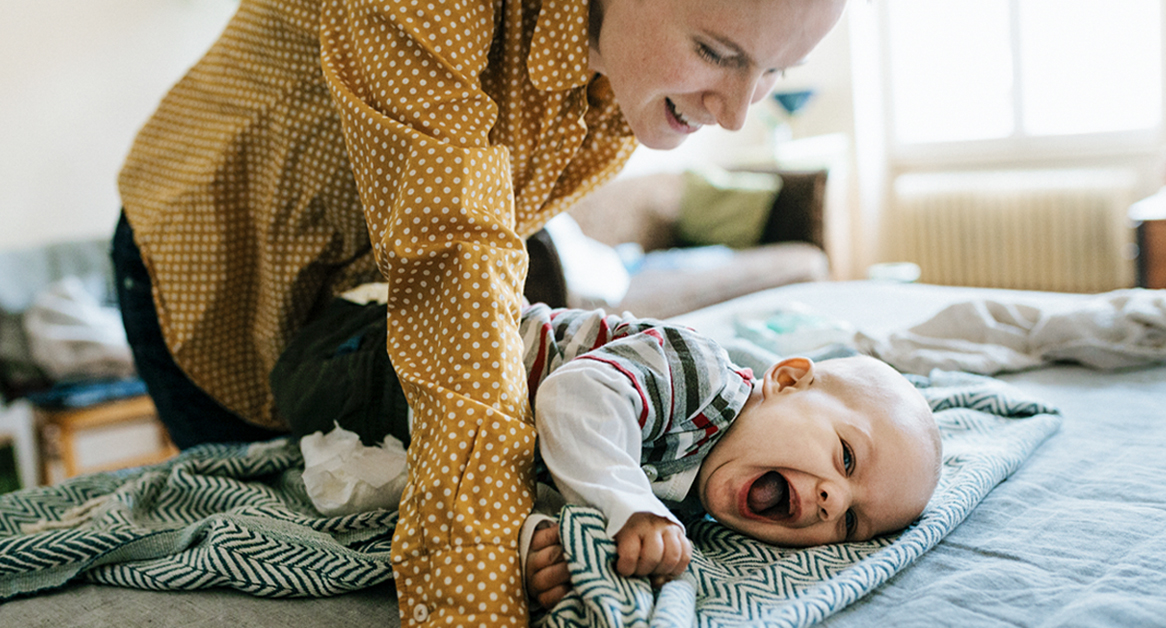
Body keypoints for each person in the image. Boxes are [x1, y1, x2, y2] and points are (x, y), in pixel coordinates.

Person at [112, 0, 848, 623]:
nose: (737, 115)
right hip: (219, 277)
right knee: (248, 559)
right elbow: (455, 272)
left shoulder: (621, 79)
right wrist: (474, 596)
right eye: (716, 52)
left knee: (339, 518)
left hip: (367, 302)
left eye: (778, 69)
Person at [273, 295, 942, 611]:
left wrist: (539, 543)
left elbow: (545, 475)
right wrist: (628, 507)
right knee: (291, 390)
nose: (831, 500)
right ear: (788, 381)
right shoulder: (697, 375)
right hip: (386, 359)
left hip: (435, 425)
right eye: (847, 461)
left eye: (851, 522)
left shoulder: (701, 496)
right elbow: (574, 404)